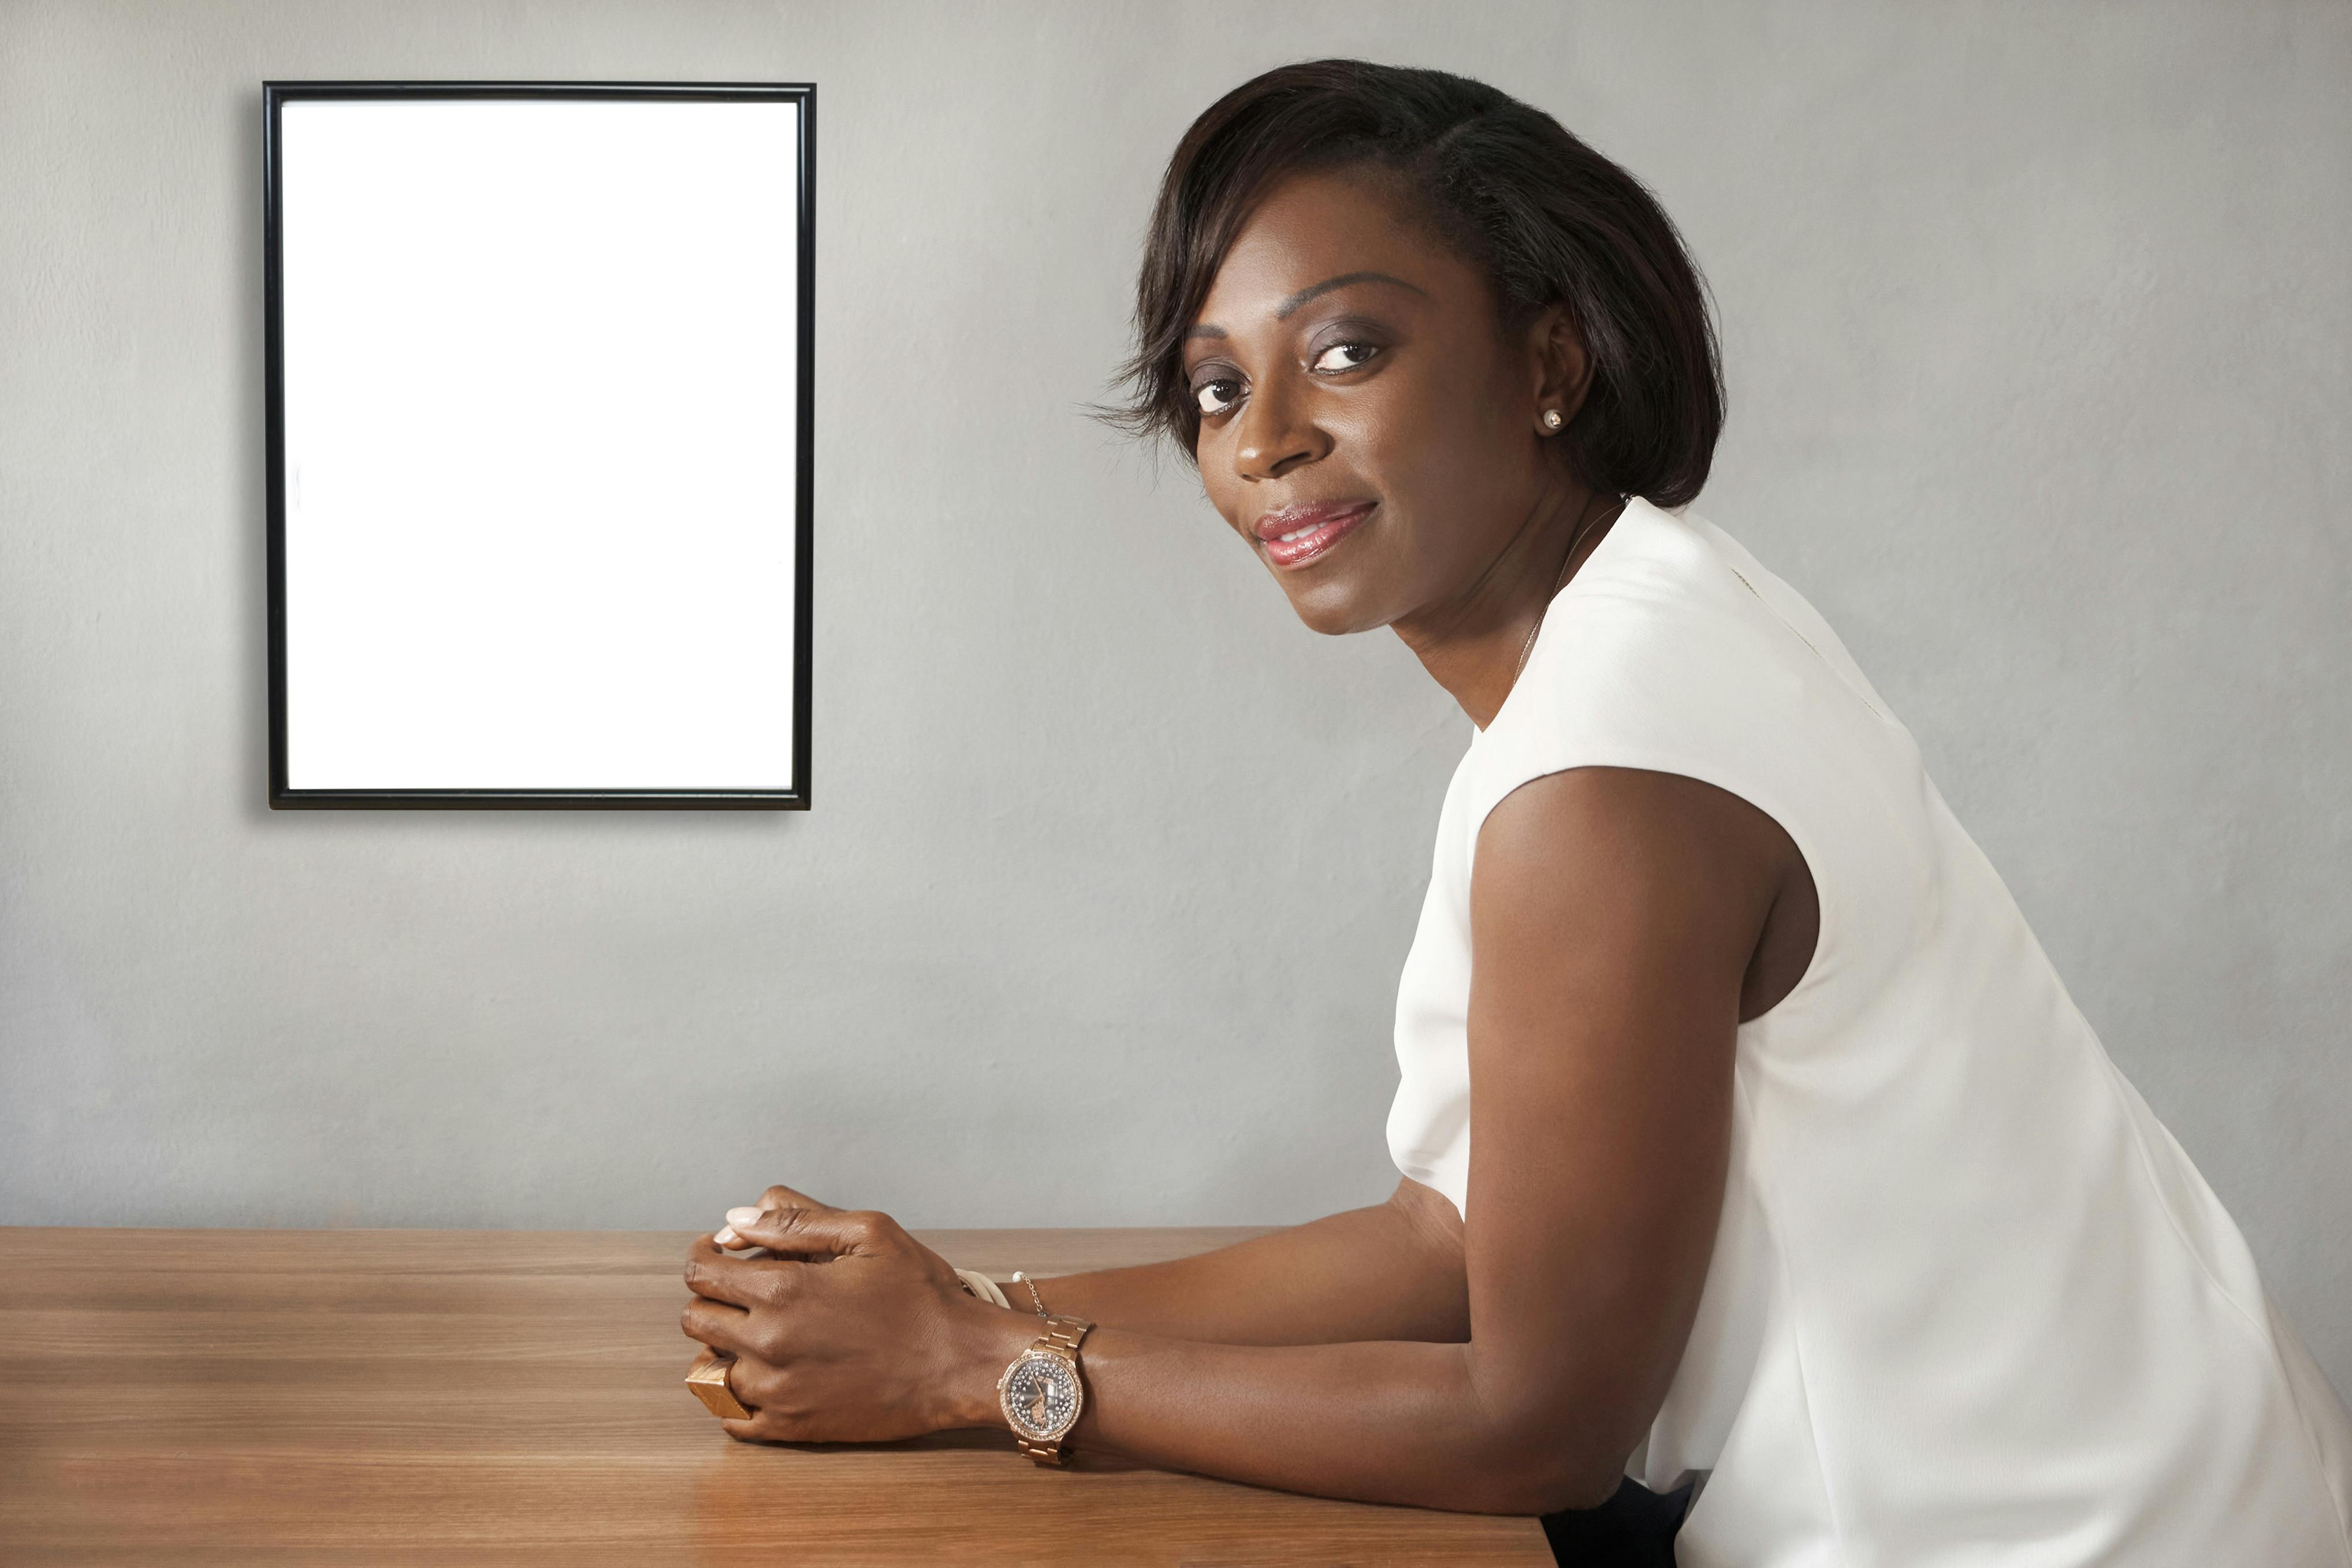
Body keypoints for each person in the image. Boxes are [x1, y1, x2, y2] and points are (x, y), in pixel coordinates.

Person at [680, 58, 2352, 1565]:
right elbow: (1458, 1241)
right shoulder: (1645, 632)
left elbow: (1536, 1420)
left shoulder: (1611, 772)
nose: (1264, 440)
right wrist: (962, 1309)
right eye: (1209, 387)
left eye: (1345, 348)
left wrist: (985, 1374)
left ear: (1548, 358)